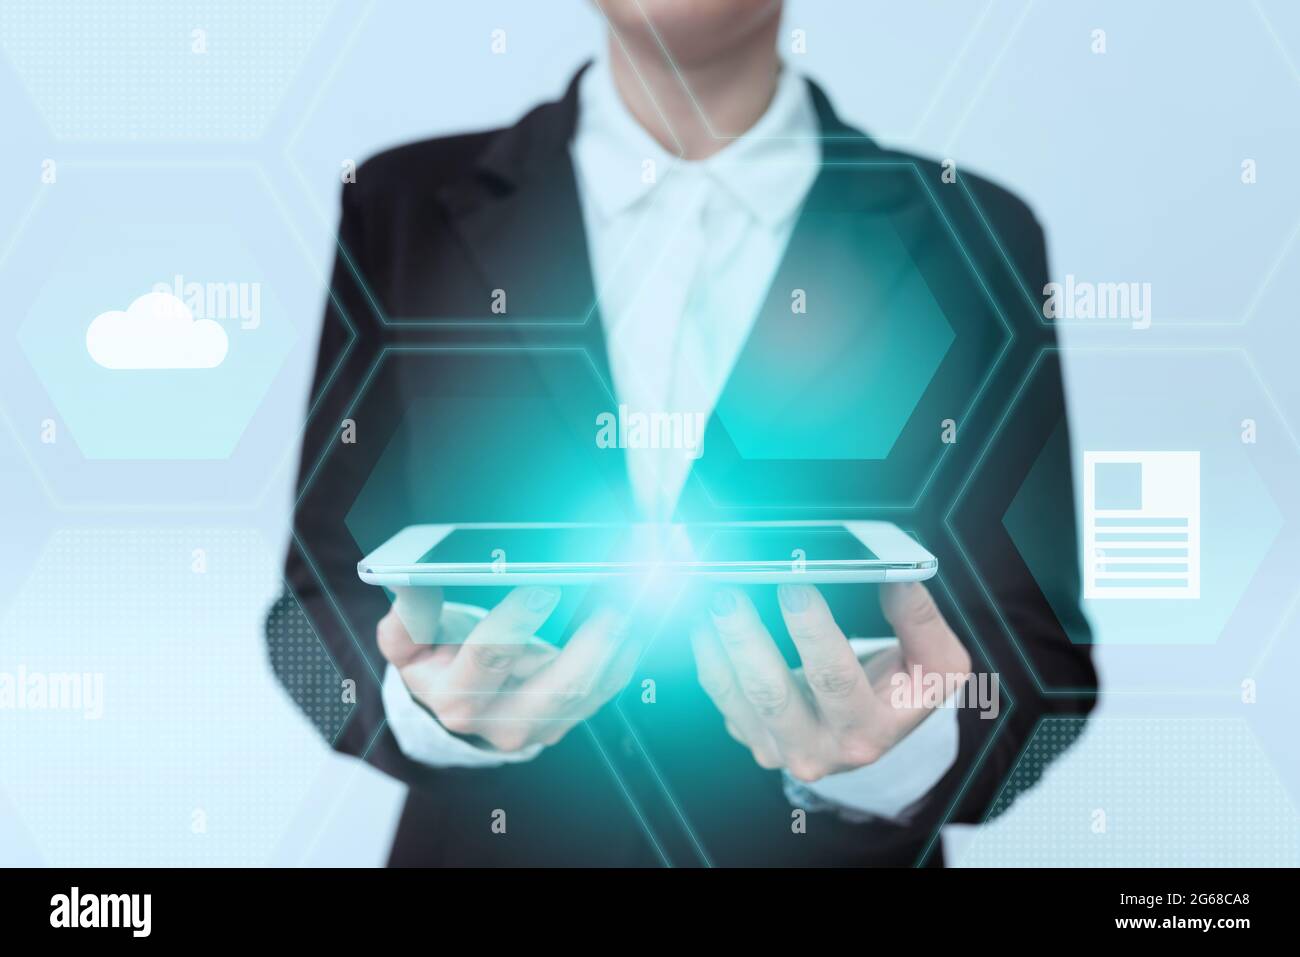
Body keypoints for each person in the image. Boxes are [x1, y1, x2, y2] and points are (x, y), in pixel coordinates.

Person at [267, 0, 1098, 866]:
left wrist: (898, 752)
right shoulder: (404, 209)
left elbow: (1042, 659)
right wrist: (425, 707)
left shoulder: (972, 237)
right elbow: (309, 609)